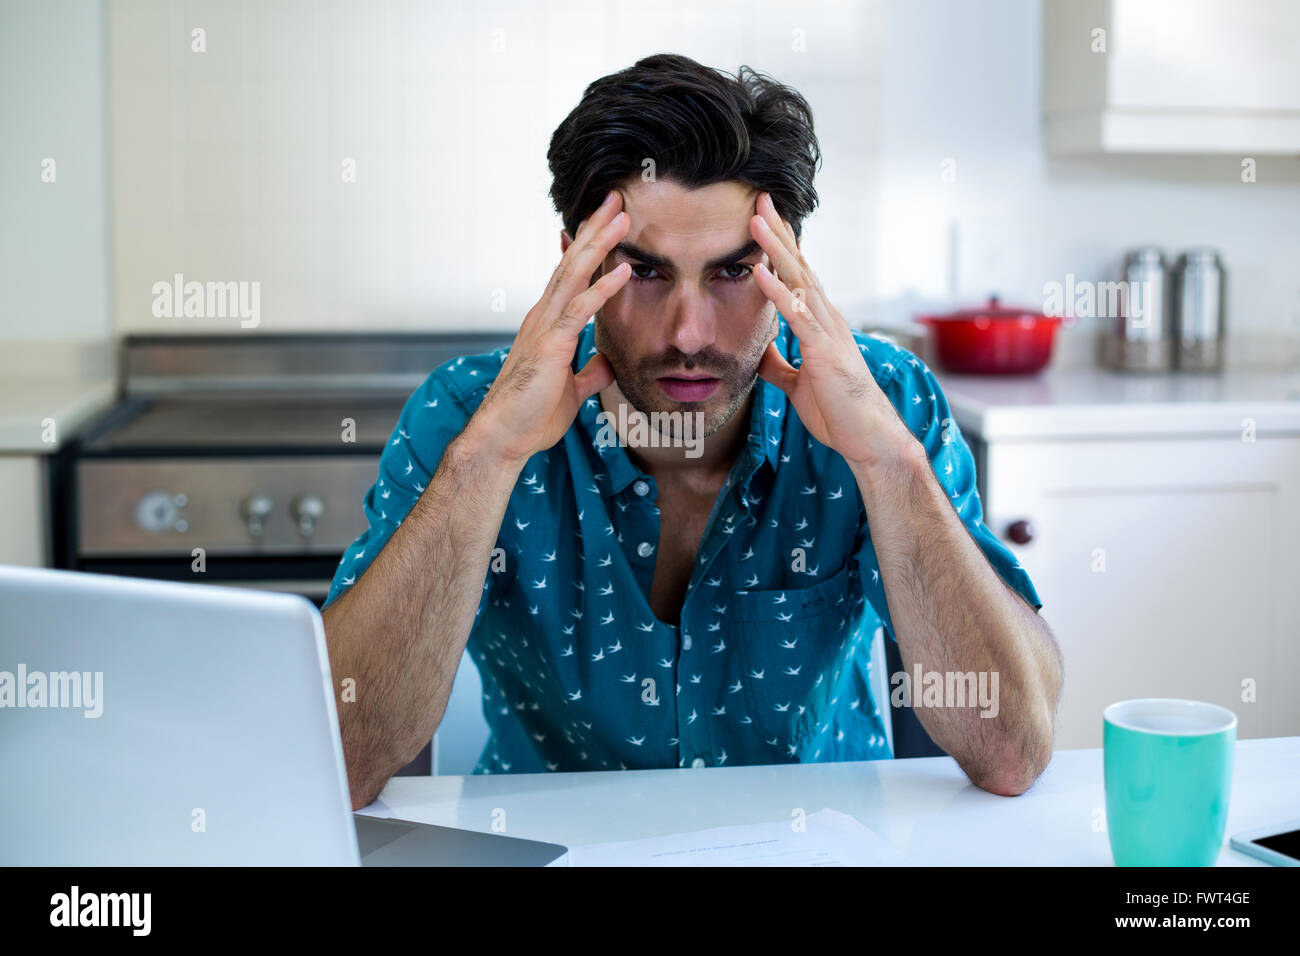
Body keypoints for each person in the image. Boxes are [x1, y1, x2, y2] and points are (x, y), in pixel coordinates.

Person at [322, 53, 1062, 809]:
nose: (687, 332)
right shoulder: (465, 415)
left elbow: (1012, 753)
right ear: (572, 265)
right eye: (642, 273)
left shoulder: (887, 400)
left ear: (789, 265)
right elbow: (339, 763)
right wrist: (488, 460)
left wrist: (888, 465)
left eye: (734, 273)